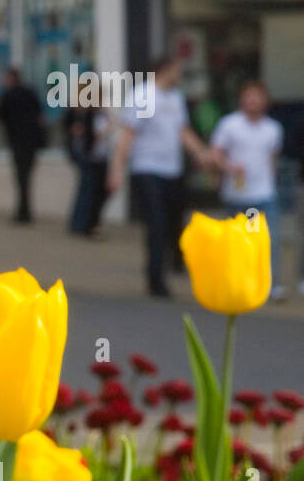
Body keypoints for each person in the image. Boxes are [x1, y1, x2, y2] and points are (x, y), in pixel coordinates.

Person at [107, 57, 214, 299]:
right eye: (178, 70)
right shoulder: (143, 95)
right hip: (147, 169)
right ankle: (156, 278)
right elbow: (128, 134)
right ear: (165, 70)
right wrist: (117, 169)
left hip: (172, 170)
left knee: (175, 222)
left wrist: (201, 153)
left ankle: (177, 263)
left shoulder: (175, 98)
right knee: (156, 224)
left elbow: (183, 131)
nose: (180, 75)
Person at [209, 79, 285, 300]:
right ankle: (235, 284)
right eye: (248, 95)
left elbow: (272, 159)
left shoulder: (273, 129)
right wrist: (227, 167)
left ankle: (270, 285)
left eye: (257, 96)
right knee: (236, 243)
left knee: (268, 240)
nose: (252, 100)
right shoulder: (229, 124)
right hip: (236, 196)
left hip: (264, 195)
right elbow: (216, 153)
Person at [0, 67, 46, 224]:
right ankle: (24, 211)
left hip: (18, 143)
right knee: (26, 178)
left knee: (22, 178)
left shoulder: (7, 96)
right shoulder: (30, 93)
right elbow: (41, 117)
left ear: (11, 79)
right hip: (31, 142)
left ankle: (24, 213)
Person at [65, 72, 113, 237]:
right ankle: (82, 224)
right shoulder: (82, 112)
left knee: (93, 190)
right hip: (88, 156)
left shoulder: (97, 112)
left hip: (97, 156)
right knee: (88, 190)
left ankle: (87, 223)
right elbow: (82, 134)